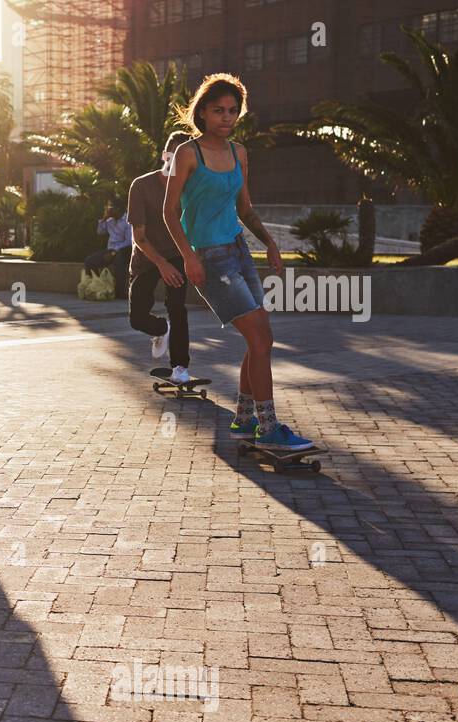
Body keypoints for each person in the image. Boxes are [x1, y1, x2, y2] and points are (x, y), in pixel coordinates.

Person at [163, 73, 311, 450]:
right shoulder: (187, 154)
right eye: (218, 111)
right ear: (203, 113)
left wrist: (269, 244)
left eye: (232, 111)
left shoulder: (239, 153)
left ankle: (244, 421)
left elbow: (245, 207)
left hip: (238, 251)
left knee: (263, 340)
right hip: (210, 259)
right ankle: (268, 427)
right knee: (259, 341)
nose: (226, 118)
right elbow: (168, 212)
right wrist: (188, 257)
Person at [127, 131, 192, 381]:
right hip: (147, 256)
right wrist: (161, 265)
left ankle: (180, 367)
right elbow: (139, 237)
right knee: (137, 318)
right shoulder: (142, 186)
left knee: (177, 307)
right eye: (173, 155)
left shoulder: (190, 189)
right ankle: (159, 328)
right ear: (164, 155)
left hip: (178, 254)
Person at [96, 204, 132, 299]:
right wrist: (103, 219)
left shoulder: (127, 221)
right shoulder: (109, 221)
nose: (109, 210)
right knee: (90, 261)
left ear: (119, 209)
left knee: (119, 261)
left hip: (124, 250)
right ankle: (97, 288)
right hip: (110, 250)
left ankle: (120, 292)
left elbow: (129, 241)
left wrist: (114, 252)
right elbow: (100, 232)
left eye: (112, 208)